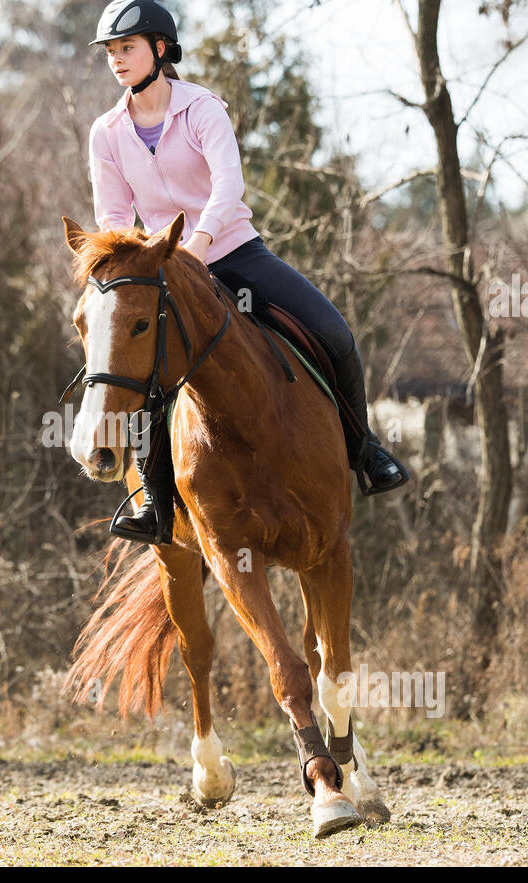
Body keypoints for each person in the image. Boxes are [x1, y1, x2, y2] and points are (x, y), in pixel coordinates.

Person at [86, 0, 410, 545]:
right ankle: (153, 503)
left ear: (160, 50)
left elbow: (227, 188)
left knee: (334, 331)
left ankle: (366, 452)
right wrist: (137, 261)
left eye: (127, 48)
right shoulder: (107, 132)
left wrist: (197, 247)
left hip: (233, 250)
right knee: (137, 368)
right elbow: (113, 218)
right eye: (112, 52)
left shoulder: (203, 109)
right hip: (159, 271)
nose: (117, 59)